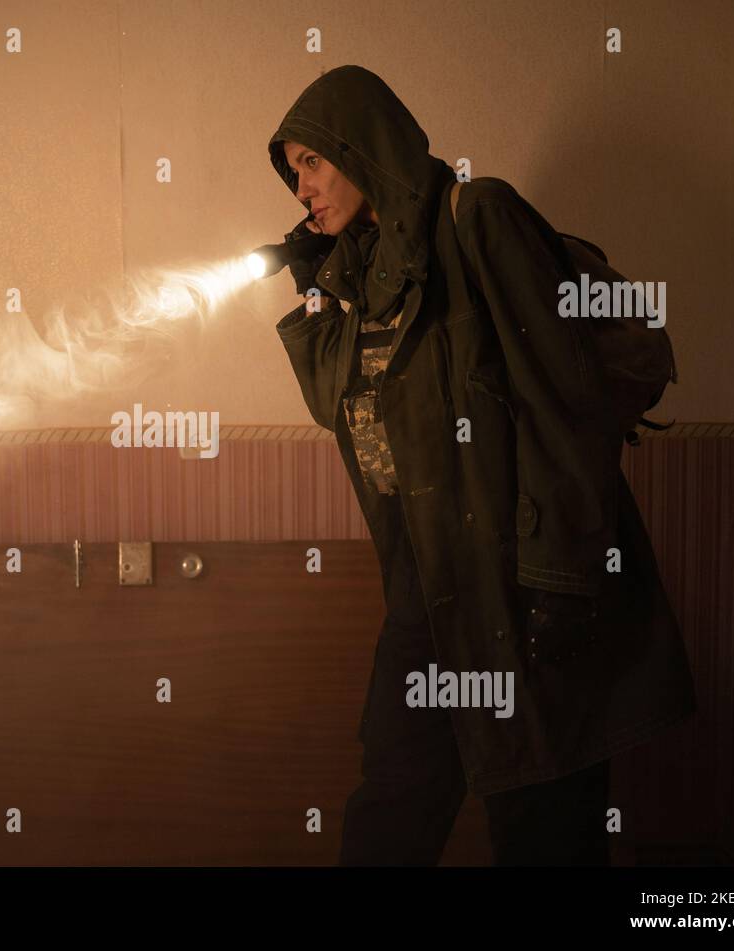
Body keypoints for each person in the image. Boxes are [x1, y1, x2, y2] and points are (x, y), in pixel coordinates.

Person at [268, 65, 696, 865]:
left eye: (311, 162)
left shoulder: (480, 218)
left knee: (542, 824)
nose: (300, 188)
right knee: (392, 807)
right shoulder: (369, 282)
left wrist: (563, 582)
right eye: (292, 171)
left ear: (362, 147)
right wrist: (319, 287)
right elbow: (342, 411)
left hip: (523, 590)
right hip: (424, 597)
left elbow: (561, 411)